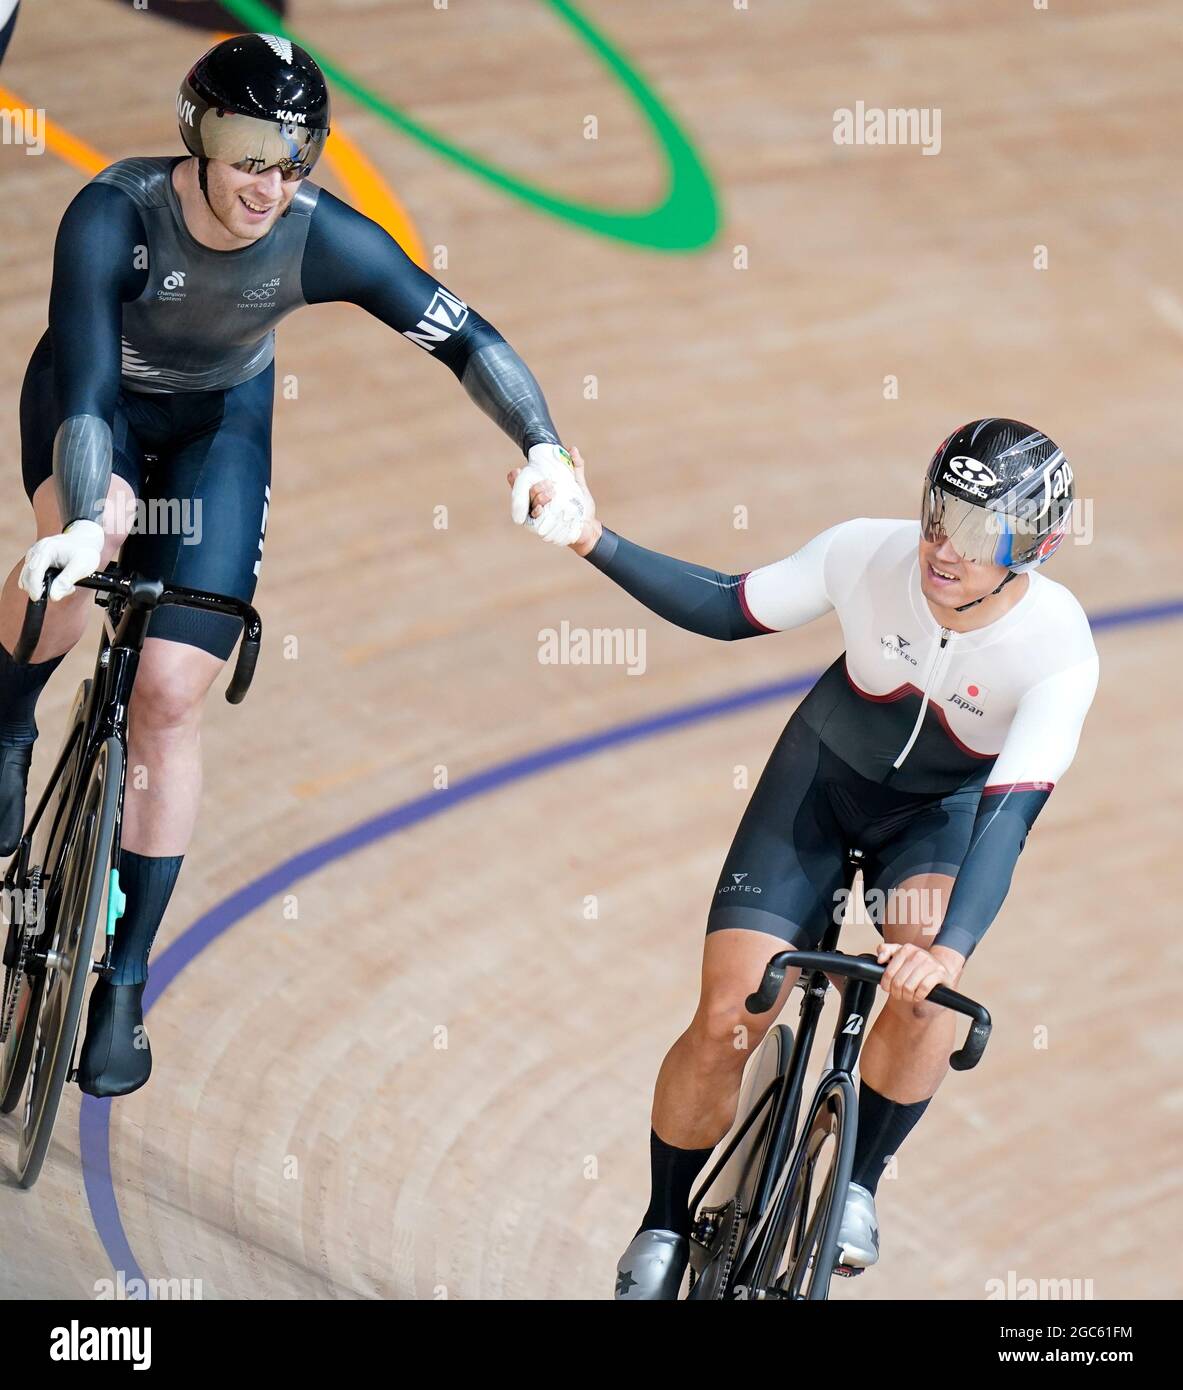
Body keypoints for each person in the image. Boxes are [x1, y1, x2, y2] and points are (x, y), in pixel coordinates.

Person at [0, 33, 585, 1100]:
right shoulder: (115, 213)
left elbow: (464, 335)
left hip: (220, 421)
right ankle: (7, 713)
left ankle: (122, 982)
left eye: (291, 157)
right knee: (78, 578)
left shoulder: (323, 239)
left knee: (172, 694)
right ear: (197, 138)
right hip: (100, 405)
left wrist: (544, 447)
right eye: (245, 152)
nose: (268, 183)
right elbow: (84, 388)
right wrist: (87, 524)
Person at [511, 418, 1098, 1298]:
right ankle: (663, 1223)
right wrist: (589, 536)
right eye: (940, 514)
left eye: (979, 534)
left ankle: (856, 1182)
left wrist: (943, 954)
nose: (944, 548)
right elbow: (725, 607)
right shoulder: (867, 551)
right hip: (817, 788)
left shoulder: (1056, 646)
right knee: (726, 1021)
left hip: (934, 822)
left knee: (926, 1002)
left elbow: (1005, 820)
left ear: (1033, 545)